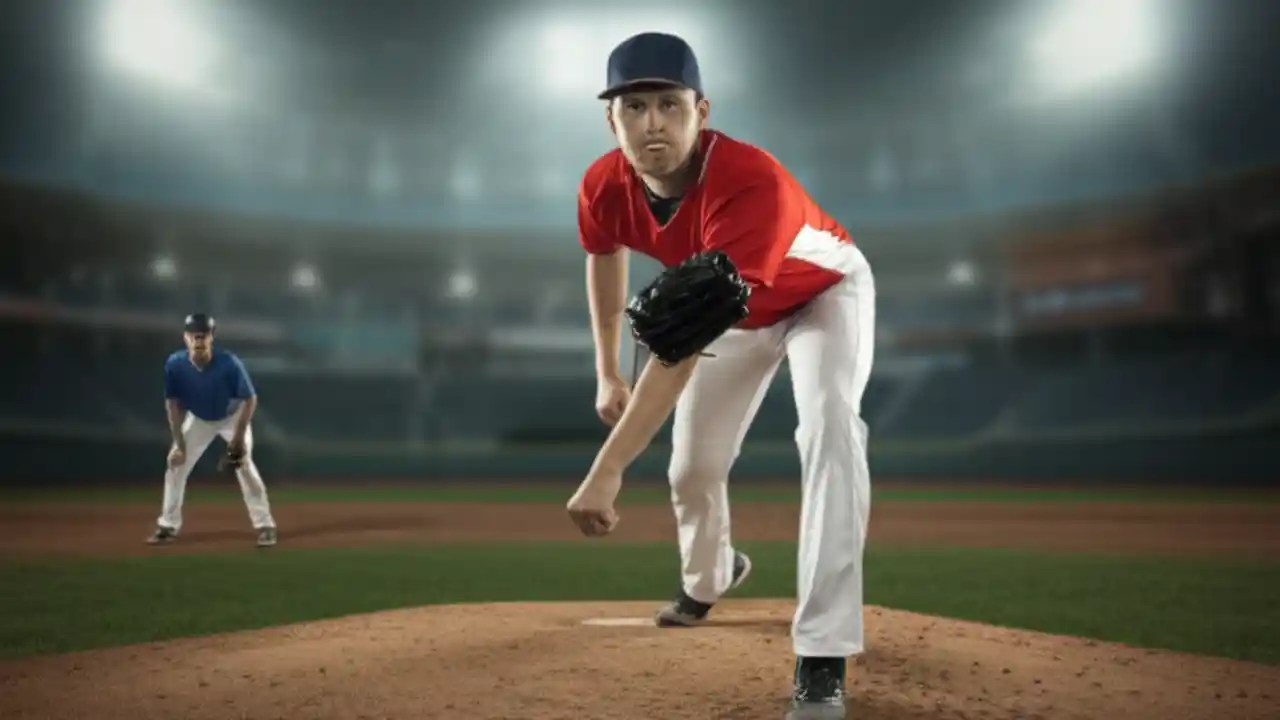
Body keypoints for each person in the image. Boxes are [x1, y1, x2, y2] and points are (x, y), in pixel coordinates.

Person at [565, 32, 876, 719]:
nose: (652, 122)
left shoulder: (748, 180)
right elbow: (604, 253)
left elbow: (679, 345)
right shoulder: (602, 183)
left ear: (701, 111)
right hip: (734, 318)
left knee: (828, 427)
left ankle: (823, 649)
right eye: (635, 105)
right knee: (691, 469)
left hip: (821, 295)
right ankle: (710, 578)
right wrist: (606, 370)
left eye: (669, 105)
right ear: (610, 119)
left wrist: (608, 467)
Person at [147, 313, 278, 548]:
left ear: (211, 338)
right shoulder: (175, 364)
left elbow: (250, 399)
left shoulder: (229, 362)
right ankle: (168, 525)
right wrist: (179, 443)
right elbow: (172, 404)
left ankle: (265, 525)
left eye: (203, 335)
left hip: (232, 417)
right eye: (193, 335)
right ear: (185, 338)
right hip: (199, 419)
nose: (198, 339)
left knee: (244, 464)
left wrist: (237, 440)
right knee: (175, 464)